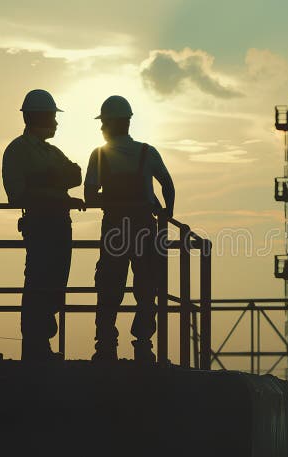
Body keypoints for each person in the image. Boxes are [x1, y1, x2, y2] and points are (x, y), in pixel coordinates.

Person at [84, 95, 175, 363]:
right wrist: (166, 214)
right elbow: (168, 185)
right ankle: (143, 344)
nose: (101, 128)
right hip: (145, 227)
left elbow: (89, 194)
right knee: (147, 284)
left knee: (109, 283)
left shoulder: (99, 155)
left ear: (110, 123)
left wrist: (114, 202)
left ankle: (105, 344)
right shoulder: (147, 152)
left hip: (114, 228)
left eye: (103, 123)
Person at [1, 89, 84, 361]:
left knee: (55, 285)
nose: (56, 123)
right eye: (51, 116)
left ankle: (42, 345)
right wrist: (53, 185)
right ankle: (35, 347)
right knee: (38, 283)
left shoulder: (50, 152)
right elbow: (18, 193)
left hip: (60, 225)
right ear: (37, 116)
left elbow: (75, 175)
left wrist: (46, 179)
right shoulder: (17, 151)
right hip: (40, 226)